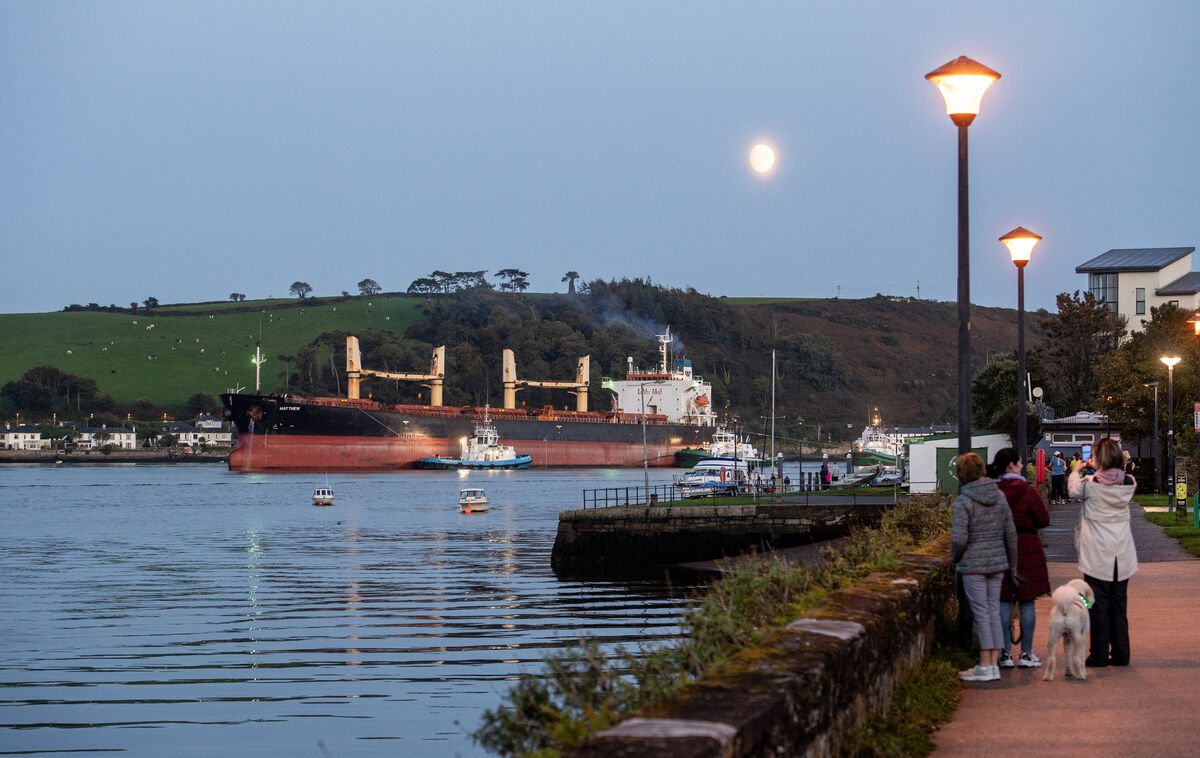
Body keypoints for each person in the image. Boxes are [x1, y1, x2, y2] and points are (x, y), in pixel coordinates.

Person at [1068, 438, 1137, 667]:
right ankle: (1121, 653)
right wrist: (1101, 467)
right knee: (1119, 605)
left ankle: (1098, 654)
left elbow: (1073, 490)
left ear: (1098, 459)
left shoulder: (1089, 484)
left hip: (1097, 553)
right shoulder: (1128, 484)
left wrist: (1077, 470)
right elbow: (1118, 477)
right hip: (1121, 554)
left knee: (1097, 606)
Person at [951, 452, 1018, 682]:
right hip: (998, 563)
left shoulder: (964, 501)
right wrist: (1013, 564)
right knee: (993, 611)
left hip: (973, 564)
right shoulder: (998, 495)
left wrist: (955, 558)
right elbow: (1010, 534)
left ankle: (985, 665)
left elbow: (959, 539)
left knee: (980, 613)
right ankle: (993, 664)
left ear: (962, 474)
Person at [988, 448, 1051, 669]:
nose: (1022, 466)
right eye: (1020, 463)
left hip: (1000, 547)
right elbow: (1043, 519)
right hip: (1026, 547)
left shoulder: (994, 490)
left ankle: (1005, 653)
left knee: (1003, 600)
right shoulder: (1026, 490)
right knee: (1026, 600)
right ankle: (1026, 652)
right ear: (1011, 465)